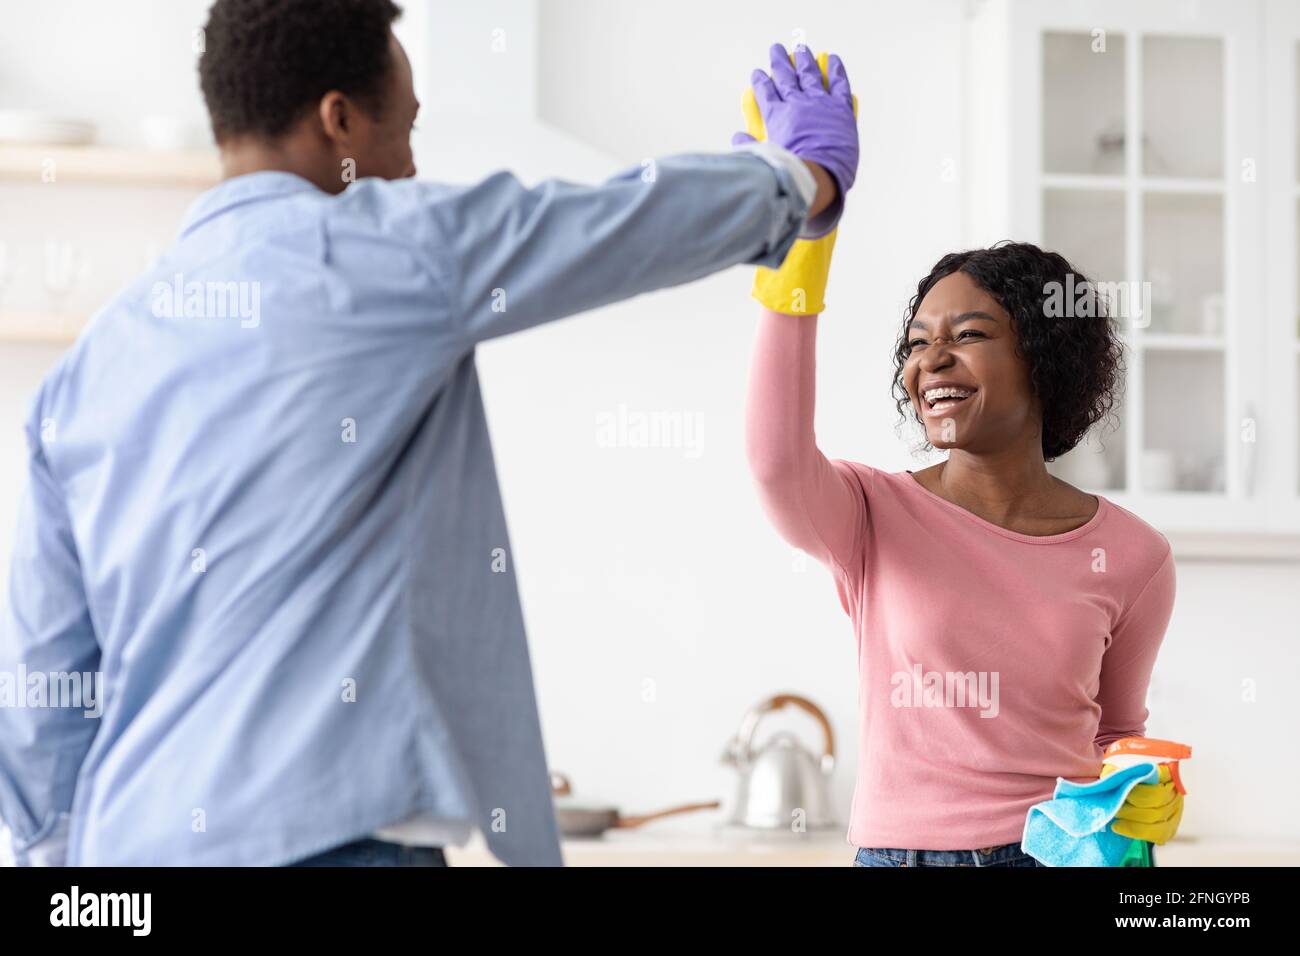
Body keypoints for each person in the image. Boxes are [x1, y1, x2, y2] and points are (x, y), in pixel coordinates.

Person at [0, 0, 859, 867]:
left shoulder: (90, 365)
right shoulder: (381, 251)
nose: (410, 171)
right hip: (330, 844)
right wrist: (798, 178)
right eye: (404, 131)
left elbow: (40, 686)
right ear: (338, 120)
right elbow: (608, 225)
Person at [739, 74, 1180, 867]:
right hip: (901, 857)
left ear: (1042, 357)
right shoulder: (870, 515)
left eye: (967, 334)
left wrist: (1139, 810)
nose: (930, 361)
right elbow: (775, 464)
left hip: (1055, 856)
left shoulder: (1135, 557)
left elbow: (1116, 736)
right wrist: (800, 264)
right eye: (915, 343)